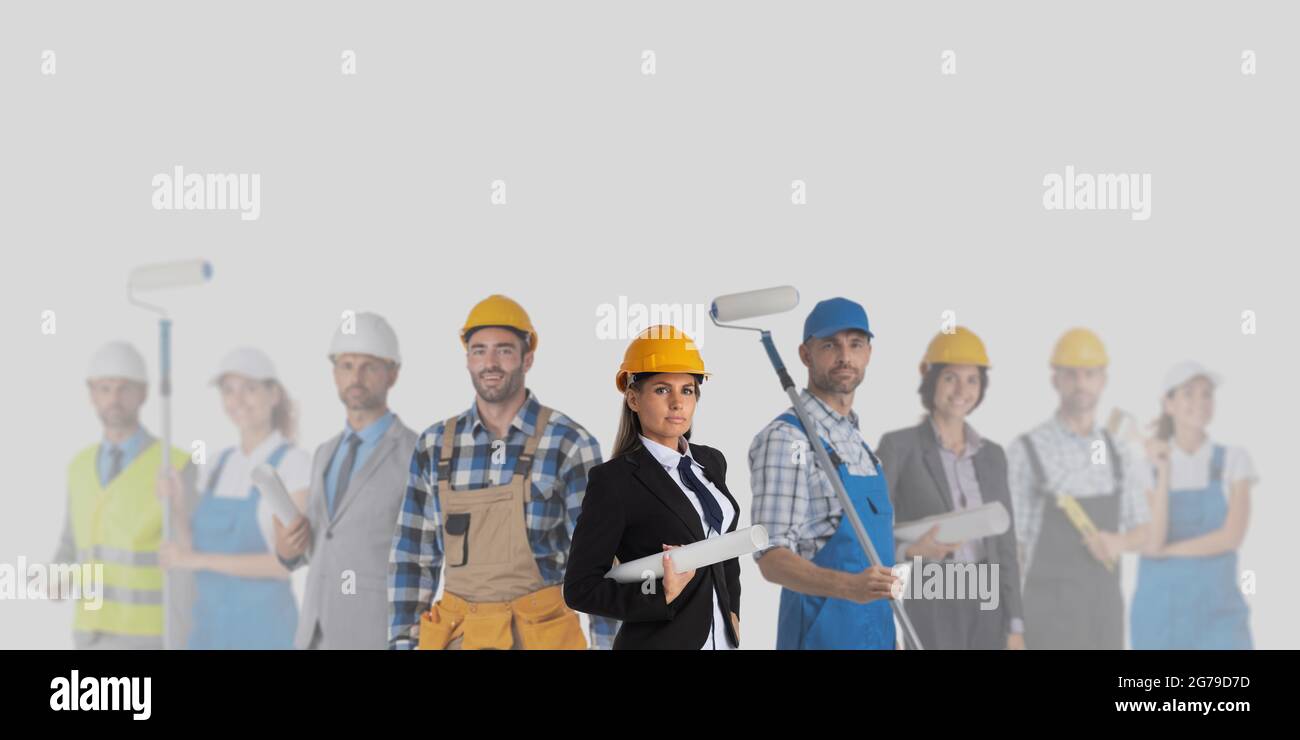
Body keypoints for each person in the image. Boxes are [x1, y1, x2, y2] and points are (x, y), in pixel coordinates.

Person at [389, 295, 615, 649]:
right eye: (479, 350)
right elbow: (413, 557)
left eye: (504, 350)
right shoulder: (434, 445)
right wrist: (402, 643)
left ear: (528, 358)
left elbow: (599, 564)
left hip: (542, 638)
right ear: (467, 360)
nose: (490, 362)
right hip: (457, 636)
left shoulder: (569, 443)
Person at [566, 325, 742, 650]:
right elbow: (580, 588)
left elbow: (725, 551)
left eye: (687, 390)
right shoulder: (615, 481)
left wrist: (733, 613)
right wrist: (659, 594)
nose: (677, 403)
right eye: (662, 390)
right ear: (633, 398)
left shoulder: (712, 462)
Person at [749, 298, 899, 650]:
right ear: (805, 355)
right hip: (822, 637)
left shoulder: (859, 444)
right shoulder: (788, 438)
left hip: (876, 634)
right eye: (830, 345)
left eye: (855, 344)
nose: (845, 356)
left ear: (869, 353)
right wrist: (849, 586)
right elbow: (771, 558)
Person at [1006, 328, 1165, 649]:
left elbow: (1146, 531)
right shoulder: (1028, 450)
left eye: (1089, 374)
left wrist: (1119, 541)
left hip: (1104, 619)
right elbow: (1013, 550)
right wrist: (1012, 626)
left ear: (1103, 380)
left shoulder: (1119, 452)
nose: (1081, 383)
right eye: (1071, 374)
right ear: (1055, 380)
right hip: (1046, 620)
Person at [273, 312, 419, 649]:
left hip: (373, 634)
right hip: (314, 631)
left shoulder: (415, 454)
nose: (356, 376)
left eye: (369, 366)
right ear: (335, 373)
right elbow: (325, 542)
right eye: (347, 365)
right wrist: (287, 549)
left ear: (392, 374)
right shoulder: (325, 452)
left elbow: (428, 554)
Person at [876, 327, 1025, 649]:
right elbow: (869, 530)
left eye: (972, 379)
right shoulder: (898, 448)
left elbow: (1006, 544)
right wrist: (909, 551)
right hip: (932, 592)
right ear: (931, 381)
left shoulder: (993, 455)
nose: (961, 390)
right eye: (950, 378)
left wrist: (1015, 625)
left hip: (988, 594)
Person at [157, 348, 310, 649]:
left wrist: (195, 559)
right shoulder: (215, 465)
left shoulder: (294, 464)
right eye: (229, 390)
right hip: (208, 630)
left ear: (274, 394)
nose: (237, 400)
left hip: (266, 632)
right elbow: (190, 550)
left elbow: (286, 564)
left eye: (249, 389)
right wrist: (176, 505)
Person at [53, 341, 192, 649]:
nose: (114, 398)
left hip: (150, 636)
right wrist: (56, 577)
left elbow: (197, 552)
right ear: (91, 394)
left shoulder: (177, 466)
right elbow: (71, 543)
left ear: (143, 393)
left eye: (124, 388)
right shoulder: (77, 466)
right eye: (104, 388)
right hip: (89, 634)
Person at [1130, 361, 1255, 649]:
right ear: (1168, 403)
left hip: (1219, 617)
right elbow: (1153, 538)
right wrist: (1163, 472)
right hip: (1159, 618)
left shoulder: (1234, 460)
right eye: (1188, 393)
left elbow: (1232, 536)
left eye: (1207, 394)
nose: (1200, 401)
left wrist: (1167, 552)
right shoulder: (1144, 469)